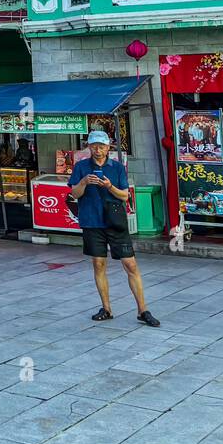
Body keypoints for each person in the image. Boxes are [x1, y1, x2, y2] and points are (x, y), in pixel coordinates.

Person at [68, 130, 158, 327]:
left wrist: (109, 186)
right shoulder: (81, 167)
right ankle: (106, 308)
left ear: (108, 148)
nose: (97, 150)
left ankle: (143, 310)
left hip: (115, 221)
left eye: (101, 146)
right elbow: (74, 194)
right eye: (94, 146)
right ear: (89, 147)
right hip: (92, 221)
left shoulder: (116, 167)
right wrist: (84, 182)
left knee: (130, 264)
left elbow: (125, 195)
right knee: (98, 263)